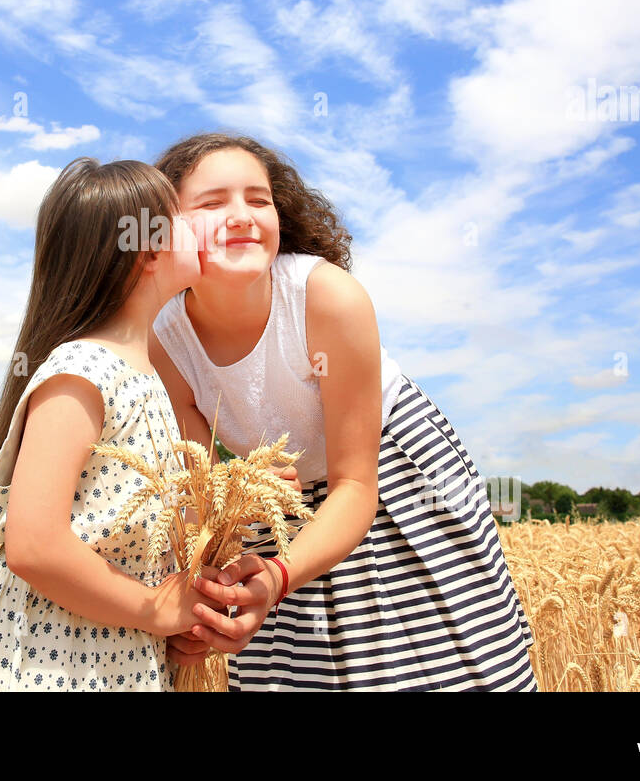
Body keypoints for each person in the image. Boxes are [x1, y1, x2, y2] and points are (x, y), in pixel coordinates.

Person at [149, 133, 538, 691]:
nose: (243, 216)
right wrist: (197, 591)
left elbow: (357, 486)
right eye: (212, 204)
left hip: (392, 474)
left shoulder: (327, 297)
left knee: (434, 666)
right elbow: (200, 490)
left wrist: (278, 577)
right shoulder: (165, 340)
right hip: (278, 494)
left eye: (259, 200)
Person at [0, 157, 215, 691]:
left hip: (110, 653)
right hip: (47, 660)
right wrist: (154, 610)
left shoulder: (146, 377)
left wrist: (170, 613)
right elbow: (35, 545)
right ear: (148, 250)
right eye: (184, 220)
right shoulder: (85, 370)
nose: (200, 228)